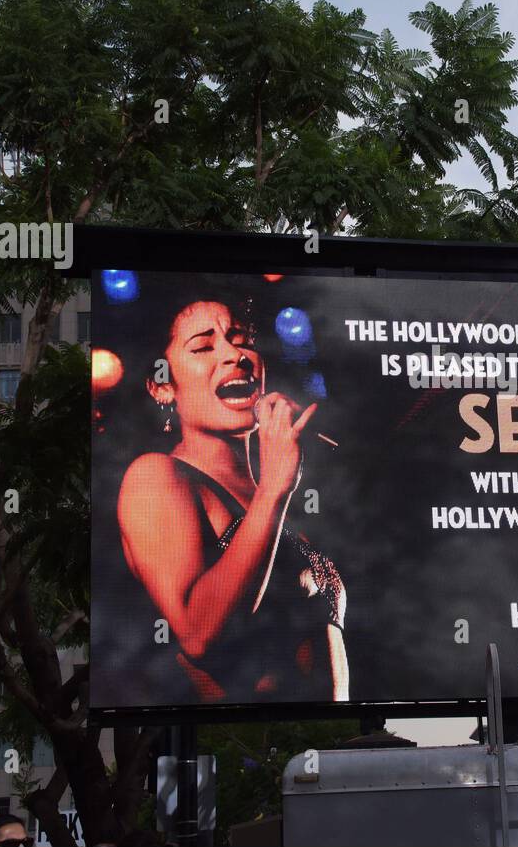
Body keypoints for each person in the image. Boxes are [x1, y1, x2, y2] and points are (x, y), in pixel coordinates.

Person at [115, 285, 348, 703]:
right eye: (203, 347)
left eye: (242, 342)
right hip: (254, 752)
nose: (234, 355)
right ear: (162, 386)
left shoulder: (274, 485)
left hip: (335, 746)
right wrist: (275, 487)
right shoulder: (155, 477)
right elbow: (198, 635)